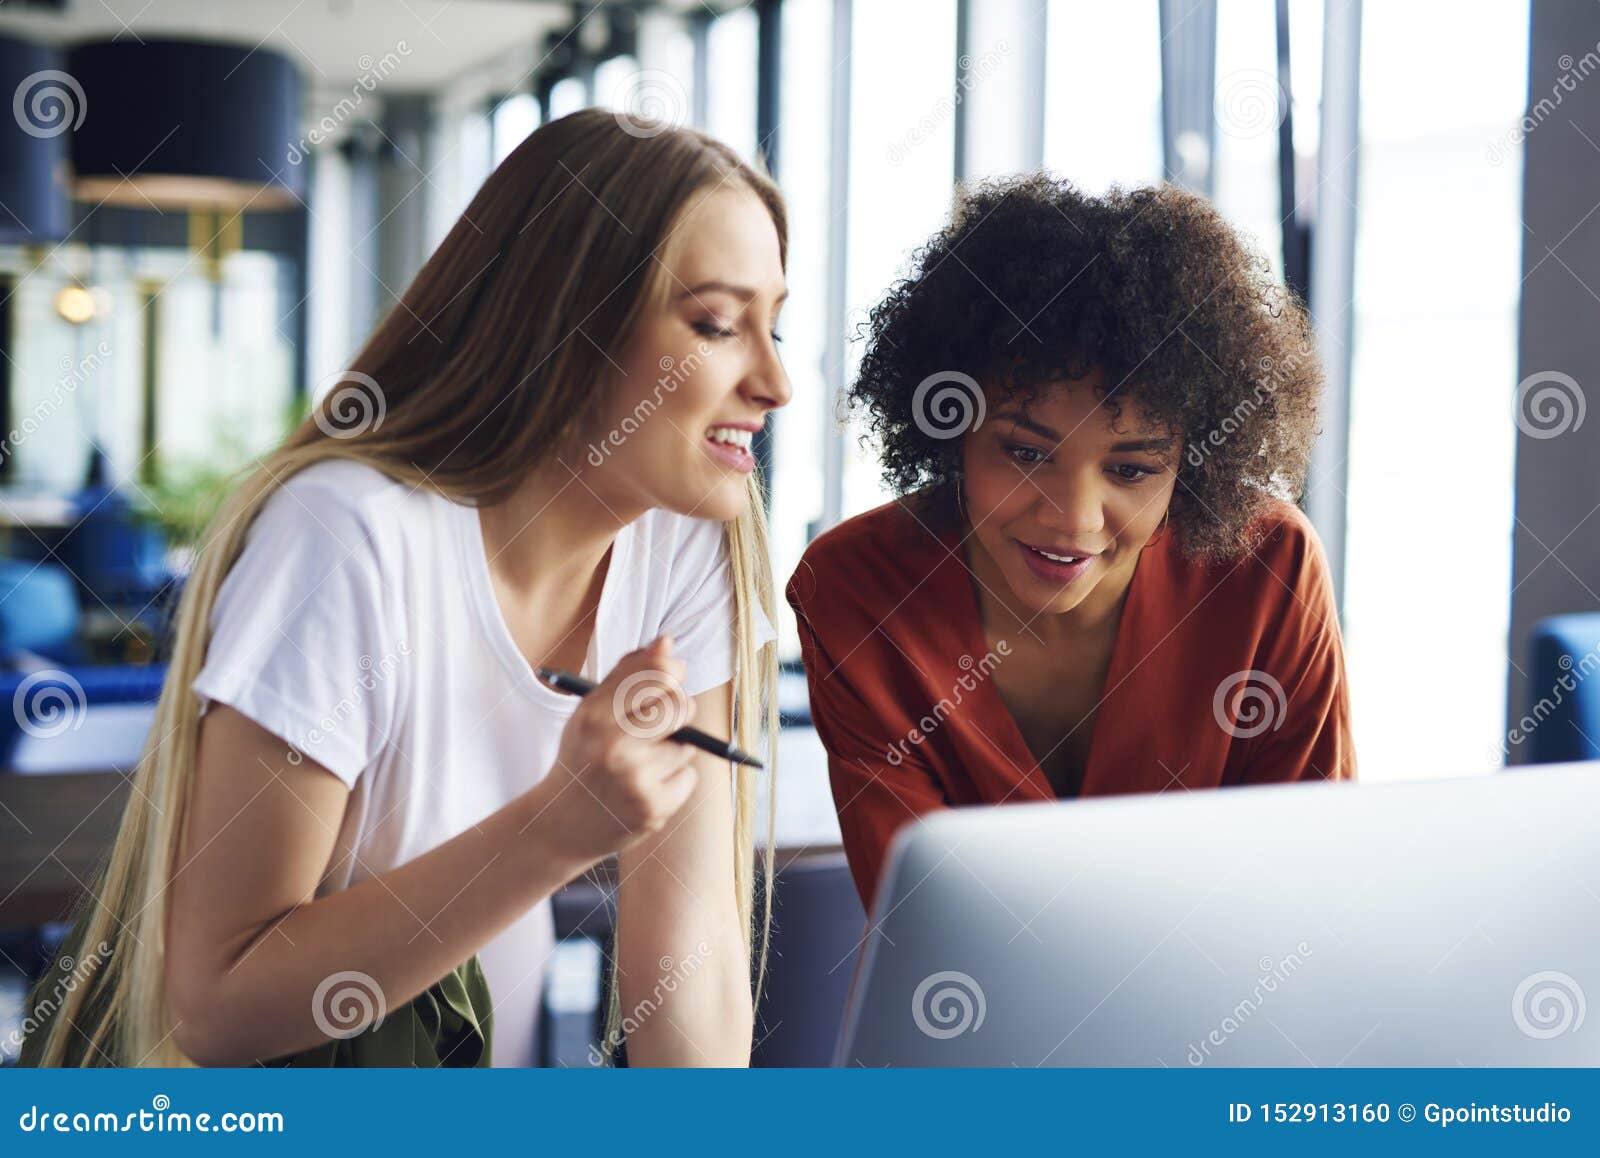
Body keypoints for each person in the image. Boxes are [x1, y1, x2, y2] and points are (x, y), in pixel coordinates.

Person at [20, 109, 789, 1067]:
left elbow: (694, 967)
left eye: (775, 324)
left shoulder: (687, 538)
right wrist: (553, 831)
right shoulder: (349, 537)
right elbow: (212, 1011)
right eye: (717, 325)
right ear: (569, 326)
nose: (775, 381)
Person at [787, 174, 1356, 912]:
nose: (1073, 518)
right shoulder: (857, 589)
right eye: (1026, 453)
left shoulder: (1268, 569)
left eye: (1131, 469)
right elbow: (924, 922)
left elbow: (1308, 884)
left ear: (1194, 461)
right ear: (949, 428)